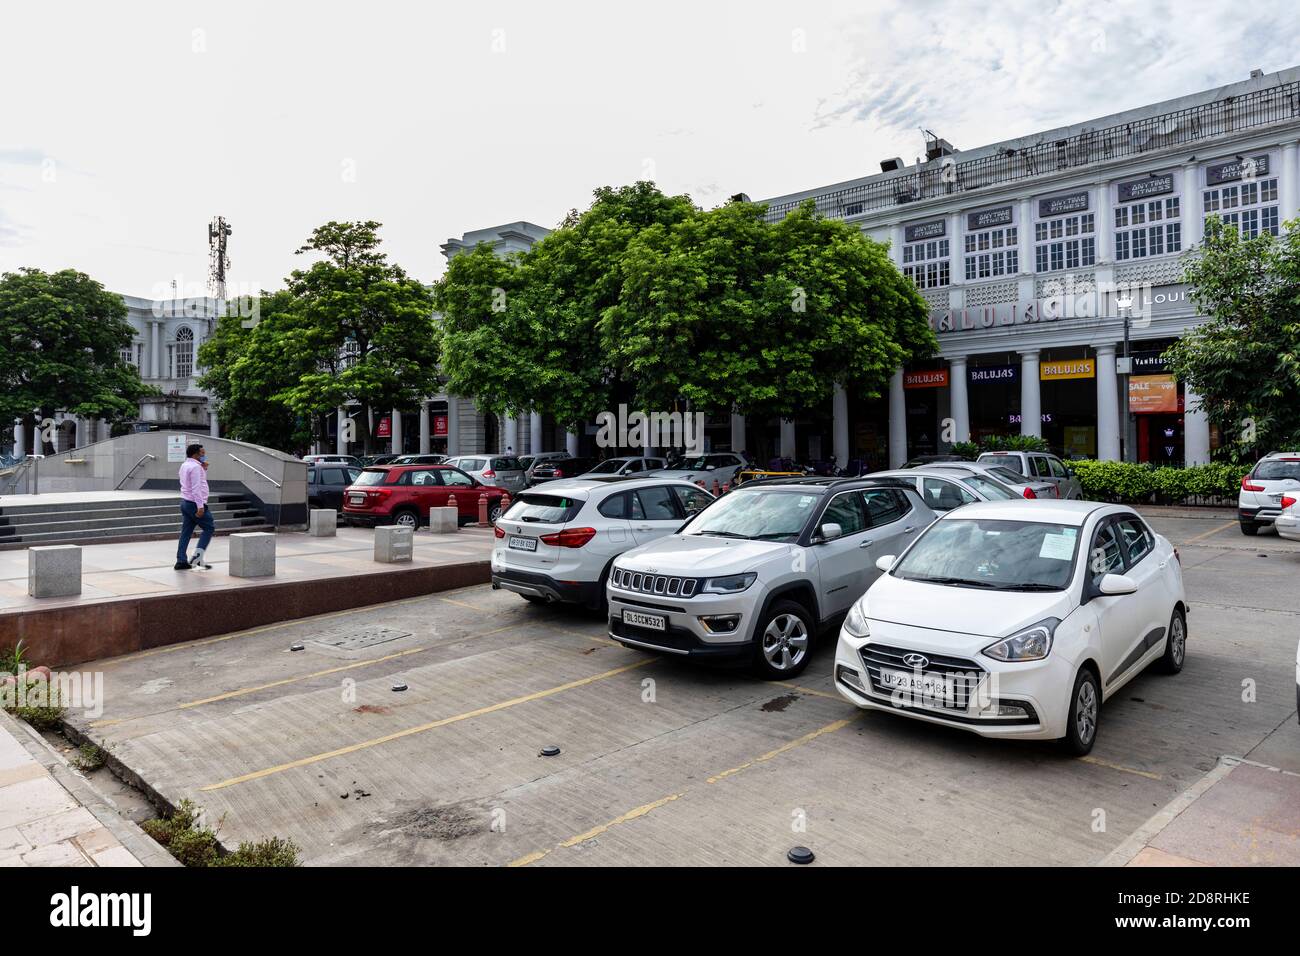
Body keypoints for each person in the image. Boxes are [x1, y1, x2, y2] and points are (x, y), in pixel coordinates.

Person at [175, 443, 214, 571]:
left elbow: (188, 481)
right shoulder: (196, 468)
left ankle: (181, 560)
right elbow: (196, 488)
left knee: (186, 532)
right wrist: (200, 506)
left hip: (185, 502)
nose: (204, 455)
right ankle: (197, 558)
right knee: (209, 528)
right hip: (194, 503)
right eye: (202, 453)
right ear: (195, 454)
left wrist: (203, 468)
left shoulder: (185, 465)